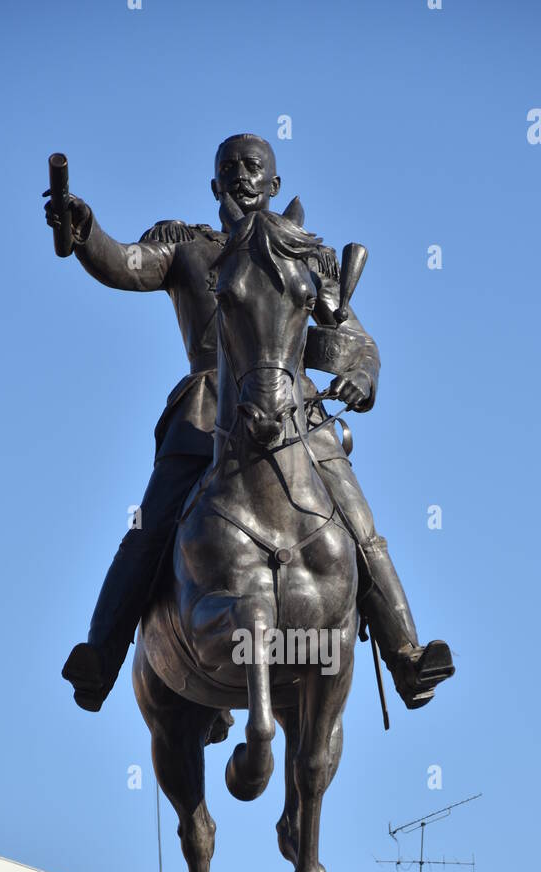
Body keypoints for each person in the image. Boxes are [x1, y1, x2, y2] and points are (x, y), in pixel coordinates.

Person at [44, 133, 453, 720]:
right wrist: (84, 230)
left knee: (359, 523)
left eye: (253, 166)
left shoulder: (302, 255)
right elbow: (121, 263)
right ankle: (102, 657)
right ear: (214, 185)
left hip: (295, 411)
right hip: (208, 410)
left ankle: (405, 654)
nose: (241, 174)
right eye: (229, 167)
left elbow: (353, 338)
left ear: (275, 183)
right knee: (150, 524)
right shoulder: (189, 252)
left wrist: (361, 374)